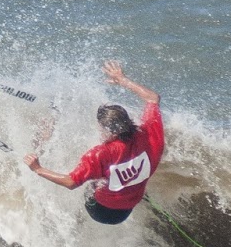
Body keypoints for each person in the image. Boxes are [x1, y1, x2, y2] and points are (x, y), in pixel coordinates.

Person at [24, 61, 164, 225]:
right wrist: (122, 79)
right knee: (108, 174)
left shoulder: (99, 154)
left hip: (102, 211)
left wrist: (38, 169)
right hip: (129, 206)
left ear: (110, 131)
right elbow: (153, 98)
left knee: (92, 184)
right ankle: (129, 184)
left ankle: (77, 220)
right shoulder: (149, 132)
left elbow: (70, 182)